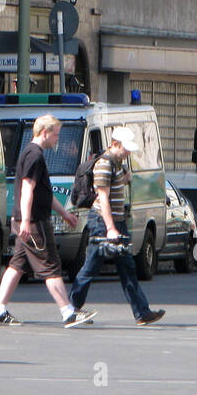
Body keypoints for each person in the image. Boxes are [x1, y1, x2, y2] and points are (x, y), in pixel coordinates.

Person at [0, 115, 95, 328]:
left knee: (17, 264)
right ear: (45, 132)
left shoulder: (32, 153)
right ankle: (68, 312)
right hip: (35, 221)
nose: (58, 139)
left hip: (27, 219)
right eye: (56, 134)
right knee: (50, 265)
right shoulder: (34, 155)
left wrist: (64, 213)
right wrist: (27, 222)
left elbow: (43, 193)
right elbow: (28, 190)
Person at [69, 127, 165, 325]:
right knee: (91, 266)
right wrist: (111, 228)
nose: (128, 152)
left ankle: (142, 313)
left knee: (127, 268)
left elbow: (122, 183)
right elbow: (102, 199)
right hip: (104, 222)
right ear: (114, 144)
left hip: (117, 222)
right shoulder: (104, 165)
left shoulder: (118, 164)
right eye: (125, 148)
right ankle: (71, 309)